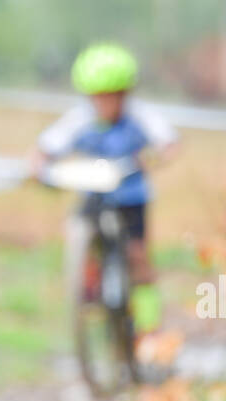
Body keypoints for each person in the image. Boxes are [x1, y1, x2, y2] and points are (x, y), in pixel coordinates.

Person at [33, 43, 179, 361]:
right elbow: (46, 146)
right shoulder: (79, 119)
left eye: (112, 95)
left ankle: (149, 328)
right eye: (98, 96)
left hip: (130, 197)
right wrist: (39, 167)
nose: (105, 103)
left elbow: (168, 143)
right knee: (77, 230)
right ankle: (85, 290)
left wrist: (151, 157)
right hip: (93, 195)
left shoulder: (140, 116)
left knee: (138, 256)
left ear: (125, 93)